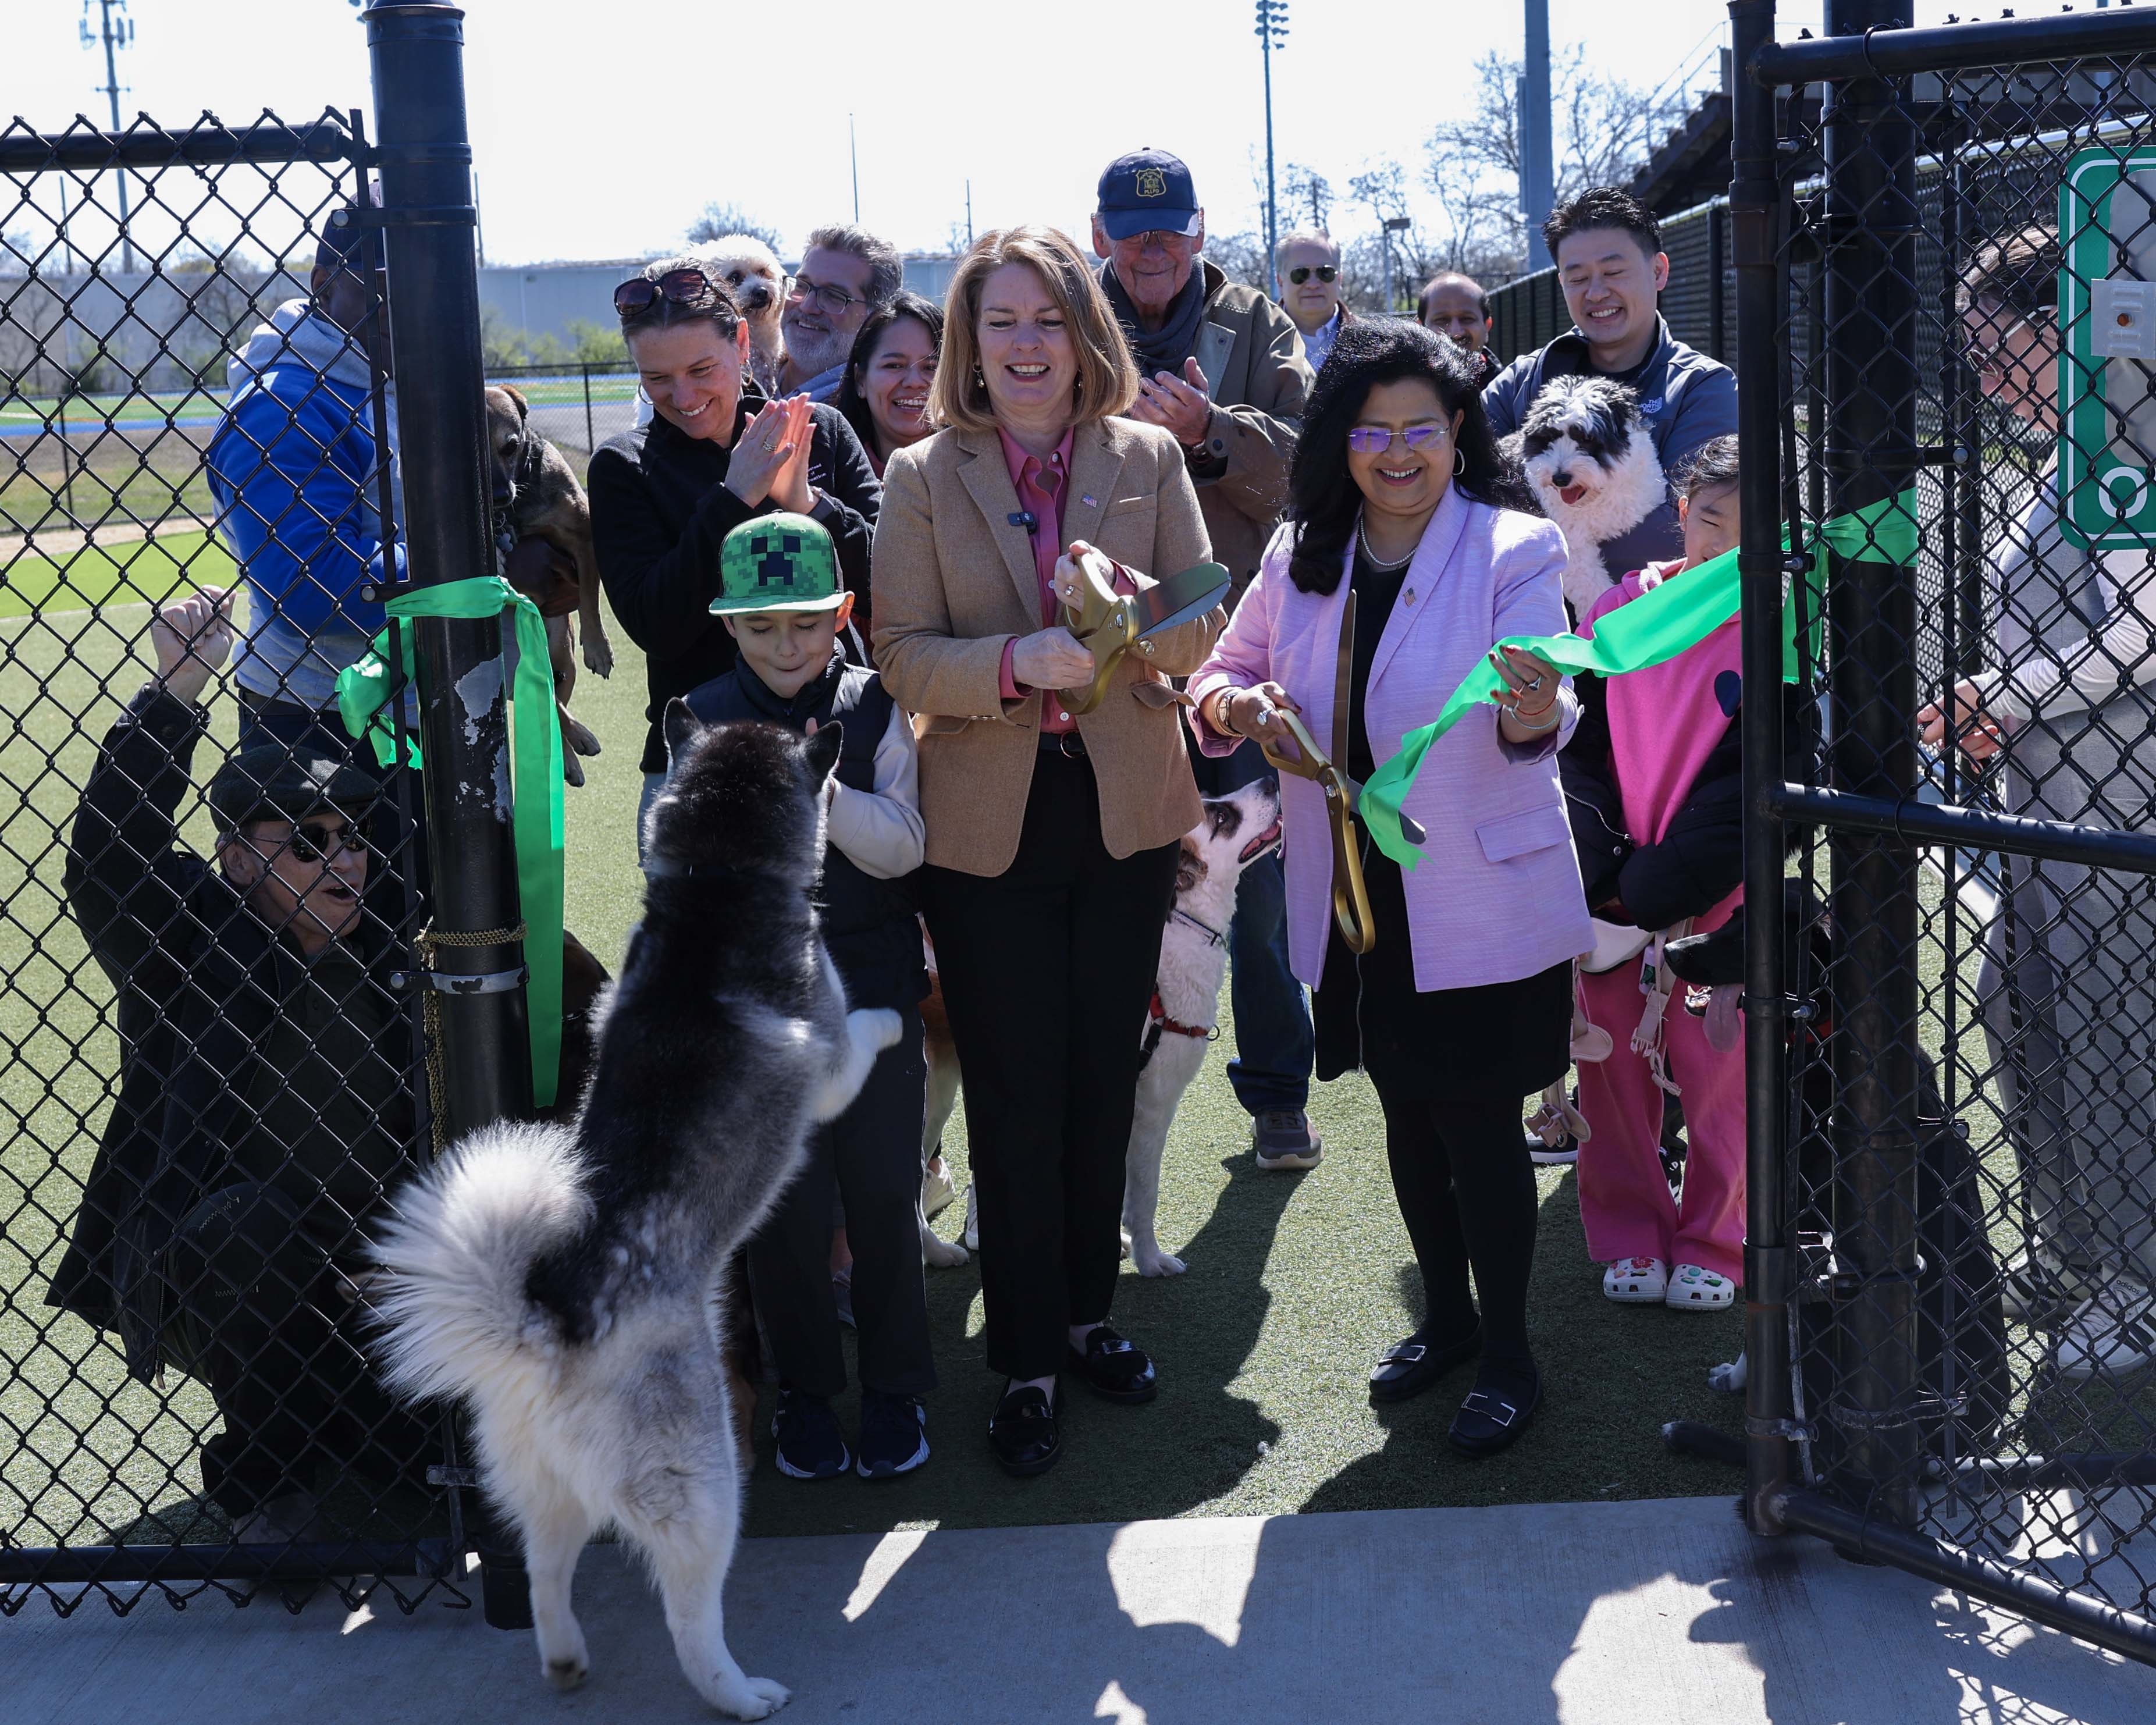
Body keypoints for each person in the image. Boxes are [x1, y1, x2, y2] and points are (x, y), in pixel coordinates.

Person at [1189, 323, 1590, 1456]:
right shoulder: (1295, 551)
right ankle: (1451, 1323)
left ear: (1457, 432)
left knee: (1475, 1120)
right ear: (1343, 442)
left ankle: (1509, 1353)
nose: (1399, 450)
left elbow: (1543, 715)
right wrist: (1238, 710)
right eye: (1375, 430)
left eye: (1423, 426)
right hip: (1355, 890)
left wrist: (1525, 708)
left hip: (1472, 888)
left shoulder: (1514, 548)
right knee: (1404, 1108)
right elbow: (1224, 674)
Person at [871, 224, 1224, 1476]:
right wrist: (1017, 662)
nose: (1026, 346)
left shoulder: (1144, 457)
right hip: (984, 830)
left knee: (1092, 1080)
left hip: (1123, 813)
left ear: (1088, 337)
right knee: (1015, 1094)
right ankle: (1022, 1356)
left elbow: (1200, 619)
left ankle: (1084, 1316)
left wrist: (1133, 632)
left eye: (1047, 320)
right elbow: (901, 653)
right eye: (1001, 322)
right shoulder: (920, 474)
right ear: (970, 341)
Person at [48, 586, 434, 1545]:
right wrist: (178, 691)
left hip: (384, 1259)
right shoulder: (191, 939)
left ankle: (375, 1435)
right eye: (305, 840)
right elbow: (108, 857)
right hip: (221, 1267)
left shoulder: (385, 935)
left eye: (351, 836)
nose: (340, 859)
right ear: (233, 859)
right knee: (246, 1229)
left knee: (415, 1458)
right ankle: (266, 1480)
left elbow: (451, 840)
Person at [1918, 225, 2156, 1380]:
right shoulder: (2063, 454)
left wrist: (2003, 692)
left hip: (2116, 811)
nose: (1982, 374)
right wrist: (1998, 705)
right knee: (2015, 1010)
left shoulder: (2126, 439)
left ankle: (2134, 1281)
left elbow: (2142, 634)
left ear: (2060, 328)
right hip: (2039, 807)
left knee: (2112, 1033)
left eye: (1993, 345)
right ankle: (2073, 1250)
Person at [681, 515, 935, 1480]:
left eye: (804, 624)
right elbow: (667, 866)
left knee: (881, 1200)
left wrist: (819, 794)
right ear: (729, 630)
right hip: (758, 1016)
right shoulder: (699, 715)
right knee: (783, 1214)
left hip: (872, 991)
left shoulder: (876, 707)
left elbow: (909, 845)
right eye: (760, 628)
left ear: (842, 615)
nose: (785, 647)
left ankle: (898, 1389)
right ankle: (802, 1398)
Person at [1091, 145, 1322, 1170]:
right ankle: (1091, 1099)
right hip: (1100, 655)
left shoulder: (1255, 324)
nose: (1150, 251)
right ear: (1101, 234)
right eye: (1131, 232)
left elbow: (1318, 456)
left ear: (1199, 233)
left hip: (1224, 648)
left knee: (1258, 892)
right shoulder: (1062, 311)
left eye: (1169, 232)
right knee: (1097, 887)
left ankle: (1277, 1096)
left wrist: (1212, 432)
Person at [587, 259, 881, 856]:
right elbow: (658, 625)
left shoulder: (819, 429)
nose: (684, 396)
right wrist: (733, 497)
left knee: (868, 943)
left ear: (743, 340)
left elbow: (892, 584)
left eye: (701, 369)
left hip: (845, 754)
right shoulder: (624, 467)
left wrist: (806, 502)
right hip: (705, 767)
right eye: (657, 379)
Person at [1563, 437, 1753, 1311]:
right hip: (1611, 887)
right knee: (1607, 1066)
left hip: (1715, 888)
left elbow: (1753, 781)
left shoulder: (1777, 620)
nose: (1723, 545)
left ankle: (1718, 1237)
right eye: (1710, 518)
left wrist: (1658, 883)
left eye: (1748, 532)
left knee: (1719, 1073)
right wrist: (1607, 872)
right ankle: (1629, 1228)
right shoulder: (1621, 607)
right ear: (1680, 513)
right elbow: (1584, 750)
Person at [1483, 188, 1737, 578]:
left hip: (1643, 623)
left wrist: (1525, 517)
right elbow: (1463, 477)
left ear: (1659, 271)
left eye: (1614, 272)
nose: (1596, 292)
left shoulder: (1701, 388)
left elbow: (1674, 531)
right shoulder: (1523, 378)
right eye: (1578, 278)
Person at [780, 224, 905, 401]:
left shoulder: (875, 418)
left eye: (833, 296)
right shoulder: (740, 381)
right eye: (801, 285)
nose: (807, 307)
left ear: (877, 316)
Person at [834, 290, 942, 477]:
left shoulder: (992, 470)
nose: (914, 382)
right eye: (894, 366)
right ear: (860, 380)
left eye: (931, 367)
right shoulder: (823, 474)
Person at [1276, 228, 1349, 375]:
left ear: (1339, 279)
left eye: (1325, 273)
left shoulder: (1373, 345)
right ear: (1280, 281)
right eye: (1300, 274)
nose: (1313, 284)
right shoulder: (1252, 345)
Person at [1419, 272, 1499, 387]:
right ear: (1420, 329)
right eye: (1441, 320)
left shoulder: (1513, 395)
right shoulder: (1397, 396)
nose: (1456, 332)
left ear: (1487, 326)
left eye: (1467, 319)